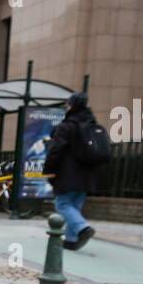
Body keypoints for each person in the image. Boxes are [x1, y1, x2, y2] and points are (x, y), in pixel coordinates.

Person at [43, 92, 99, 250]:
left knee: (62, 205)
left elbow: (56, 150)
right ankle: (71, 240)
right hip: (87, 174)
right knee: (74, 206)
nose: (66, 107)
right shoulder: (91, 125)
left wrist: (48, 169)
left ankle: (83, 228)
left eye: (67, 104)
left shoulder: (67, 126)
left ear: (72, 106)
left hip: (68, 174)